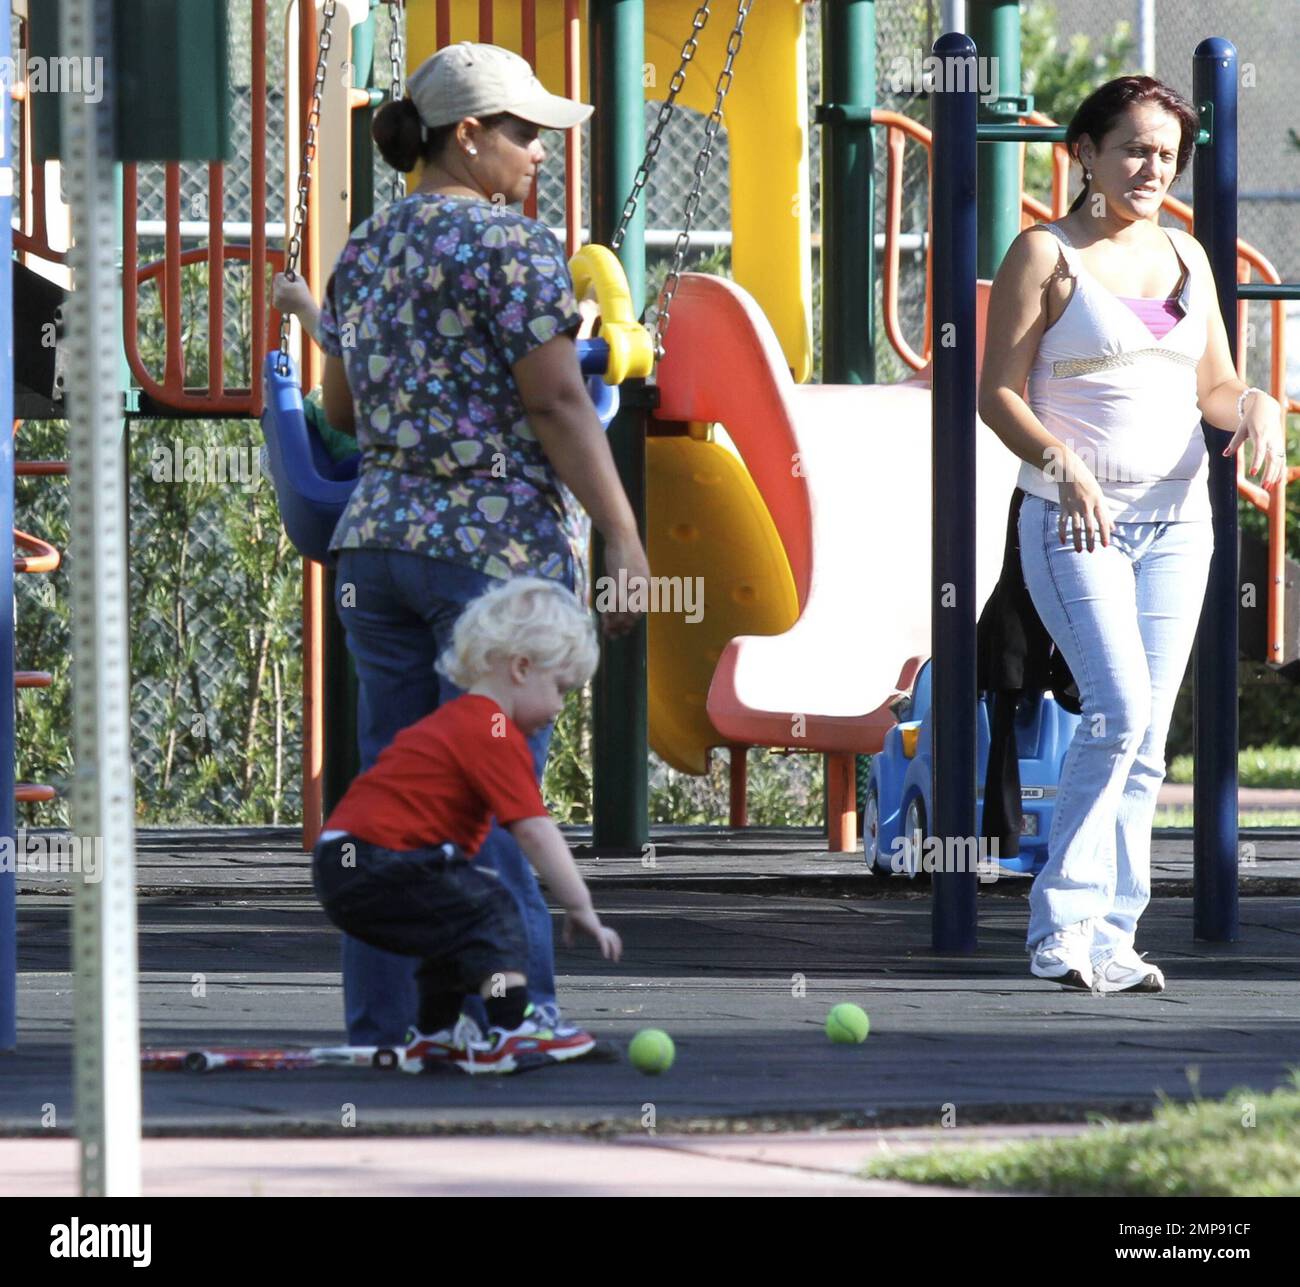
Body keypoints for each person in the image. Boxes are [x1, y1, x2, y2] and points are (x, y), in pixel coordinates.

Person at [315, 40, 651, 1046]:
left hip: (375, 543)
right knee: (497, 787)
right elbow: (554, 400)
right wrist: (623, 537)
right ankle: (513, 1013)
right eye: (527, 132)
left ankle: (390, 1022)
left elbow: (340, 404)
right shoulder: (511, 245)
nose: (540, 153)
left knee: (387, 803)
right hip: (491, 552)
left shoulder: (365, 246)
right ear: (469, 135)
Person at [979, 76, 1286, 994]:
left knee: (1148, 739)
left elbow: (1214, 392)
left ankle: (1114, 934)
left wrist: (1260, 404)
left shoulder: (1189, 255)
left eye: (1167, 152)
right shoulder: (1047, 253)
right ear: (1086, 154)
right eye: (1134, 149)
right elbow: (996, 391)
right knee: (1116, 710)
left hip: (1180, 524)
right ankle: (1061, 927)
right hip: (1076, 518)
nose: (1153, 167)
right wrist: (1062, 461)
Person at [313, 578, 622, 1073]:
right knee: (494, 910)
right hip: (377, 859)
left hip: (345, 864)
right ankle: (511, 1027)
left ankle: (434, 1033)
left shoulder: (458, 721)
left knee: (454, 930)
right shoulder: (492, 729)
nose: (560, 707)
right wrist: (581, 906)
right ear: (522, 667)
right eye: (560, 688)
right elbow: (534, 829)